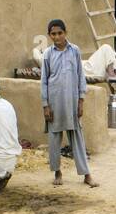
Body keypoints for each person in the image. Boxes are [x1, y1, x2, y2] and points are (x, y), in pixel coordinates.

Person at [41, 19, 98, 188]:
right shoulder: (48, 54)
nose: (57, 37)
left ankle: (86, 174)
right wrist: (45, 105)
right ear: (49, 36)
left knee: (77, 138)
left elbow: (81, 76)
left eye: (60, 33)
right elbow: (44, 80)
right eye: (53, 34)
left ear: (66, 33)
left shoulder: (75, 51)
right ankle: (57, 171)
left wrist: (81, 101)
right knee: (54, 138)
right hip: (54, 102)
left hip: (72, 102)